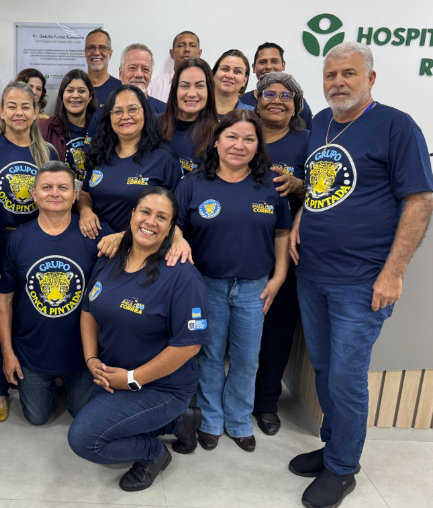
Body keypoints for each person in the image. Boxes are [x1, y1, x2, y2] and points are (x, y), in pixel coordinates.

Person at [289, 42, 433, 508]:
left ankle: (343, 469)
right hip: (312, 272)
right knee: (328, 370)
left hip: (361, 279)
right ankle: (335, 446)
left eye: (348, 73)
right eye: (330, 75)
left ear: (370, 78)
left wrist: (394, 274)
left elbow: (419, 201)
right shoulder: (319, 123)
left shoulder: (396, 126)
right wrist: (298, 222)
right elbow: (317, 186)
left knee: (348, 377)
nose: (338, 83)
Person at [67, 187, 211, 492]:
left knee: (84, 438)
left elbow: (190, 344)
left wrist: (132, 379)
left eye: (162, 217)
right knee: (84, 412)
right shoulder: (109, 257)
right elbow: (89, 310)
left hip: (162, 386)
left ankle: (153, 454)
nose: (151, 221)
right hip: (114, 373)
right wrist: (91, 359)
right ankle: (178, 424)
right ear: (132, 215)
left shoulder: (183, 276)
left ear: (172, 228)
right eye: (145, 212)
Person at [174, 109, 291, 454]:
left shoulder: (272, 184)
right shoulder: (193, 183)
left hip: (254, 288)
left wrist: (280, 275)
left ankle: (239, 420)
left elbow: (283, 233)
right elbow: (176, 227)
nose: (239, 145)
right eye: (231, 136)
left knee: (246, 357)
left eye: (249, 138)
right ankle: (210, 420)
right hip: (206, 285)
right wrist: (179, 239)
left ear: (258, 145)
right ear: (217, 139)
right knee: (209, 355)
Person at [0, 81, 60, 421]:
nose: (19, 113)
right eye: (12, 106)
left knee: (32, 311)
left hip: (36, 242)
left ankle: (31, 374)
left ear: (37, 112)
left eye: (26, 106)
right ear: (0, 111)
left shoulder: (48, 153)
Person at [0, 162, 111, 425]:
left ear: (75, 195)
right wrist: (7, 352)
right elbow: (4, 300)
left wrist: (121, 236)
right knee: (36, 417)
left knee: (82, 415)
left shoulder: (96, 234)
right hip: (33, 353)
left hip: (84, 354)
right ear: (34, 194)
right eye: (47, 187)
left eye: (62, 187)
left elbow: (141, 241)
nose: (55, 193)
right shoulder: (16, 239)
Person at [251, 71, 310, 436]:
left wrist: (299, 185)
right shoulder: (243, 133)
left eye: (286, 95)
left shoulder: (307, 140)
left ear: (296, 105)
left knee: (277, 331)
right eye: (269, 93)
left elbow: (324, 187)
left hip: (285, 253)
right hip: (241, 247)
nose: (276, 99)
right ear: (256, 100)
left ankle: (267, 402)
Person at [79, 84, 181, 242]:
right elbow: (85, 194)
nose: (125, 116)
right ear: (109, 117)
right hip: (95, 244)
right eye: (118, 111)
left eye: (132, 109)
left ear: (145, 113)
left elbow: (175, 213)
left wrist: (123, 237)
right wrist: (85, 211)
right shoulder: (99, 152)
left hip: (139, 249)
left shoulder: (164, 159)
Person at [83, 44, 166, 144]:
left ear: (150, 75)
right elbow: (91, 155)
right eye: (132, 68)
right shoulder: (100, 116)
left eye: (145, 69)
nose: (139, 74)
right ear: (121, 73)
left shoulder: (165, 112)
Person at [159, 58, 217, 174]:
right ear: (175, 90)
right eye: (184, 86)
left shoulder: (218, 135)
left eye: (199, 86)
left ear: (209, 91)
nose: (191, 94)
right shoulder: (152, 126)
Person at [39, 69, 97, 183]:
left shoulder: (101, 128)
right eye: (70, 90)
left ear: (90, 96)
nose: (75, 95)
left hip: (93, 198)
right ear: (62, 95)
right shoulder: (45, 129)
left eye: (81, 91)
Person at [239, 43, 313, 131]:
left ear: (283, 65)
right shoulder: (240, 102)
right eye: (263, 62)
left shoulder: (299, 105)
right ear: (254, 67)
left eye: (274, 61)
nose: (269, 66)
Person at [146, 31, 202, 102]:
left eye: (192, 45)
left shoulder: (209, 84)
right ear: (172, 53)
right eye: (181, 45)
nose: (187, 49)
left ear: (199, 53)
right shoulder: (154, 86)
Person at [212, 50, 254, 117]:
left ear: (244, 81)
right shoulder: (196, 109)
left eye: (237, 72)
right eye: (225, 69)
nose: (229, 75)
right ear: (213, 75)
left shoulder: (253, 115)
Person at [84, 28, 120, 108]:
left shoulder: (120, 89)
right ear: (85, 53)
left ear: (110, 54)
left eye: (102, 48)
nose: (96, 53)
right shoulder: (74, 89)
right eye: (91, 48)